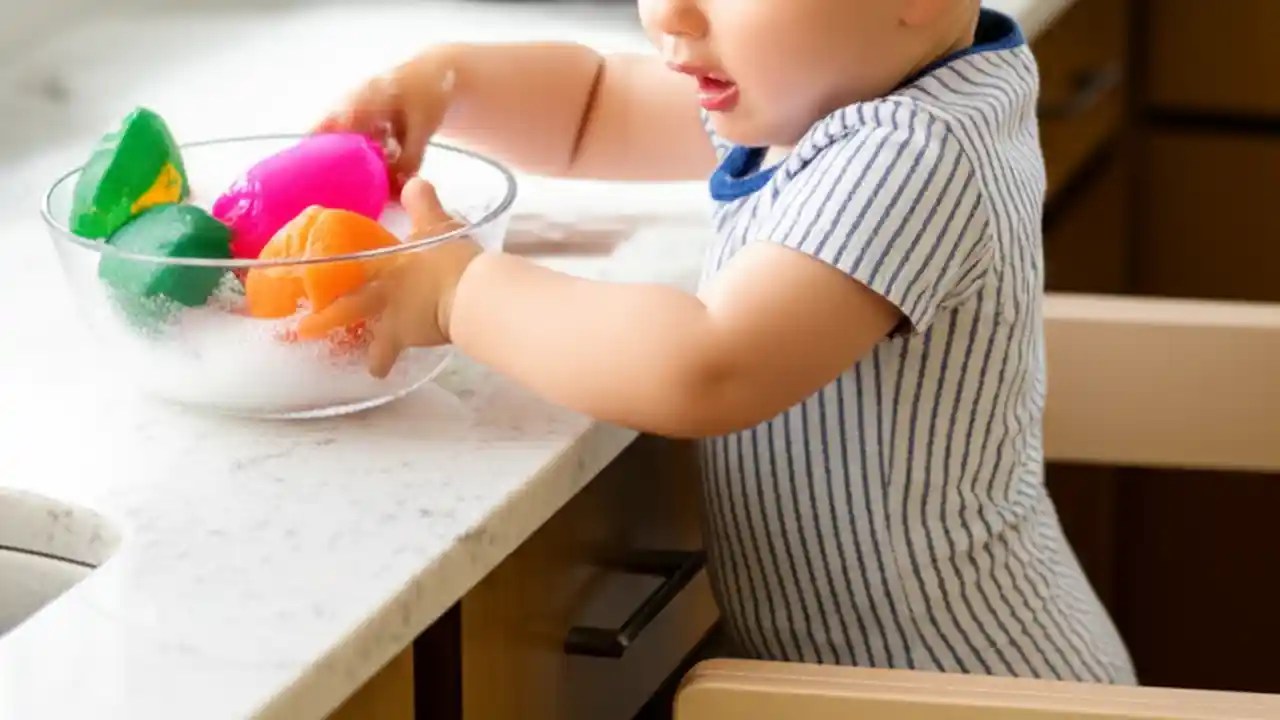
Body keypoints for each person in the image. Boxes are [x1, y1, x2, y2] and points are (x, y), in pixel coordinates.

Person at [305, 0, 1135, 683]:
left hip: (959, 690)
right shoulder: (846, 86)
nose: (666, 12)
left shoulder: (910, 151)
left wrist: (460, 292)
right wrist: (448, 83)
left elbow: (705, 369)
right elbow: (601, 107)